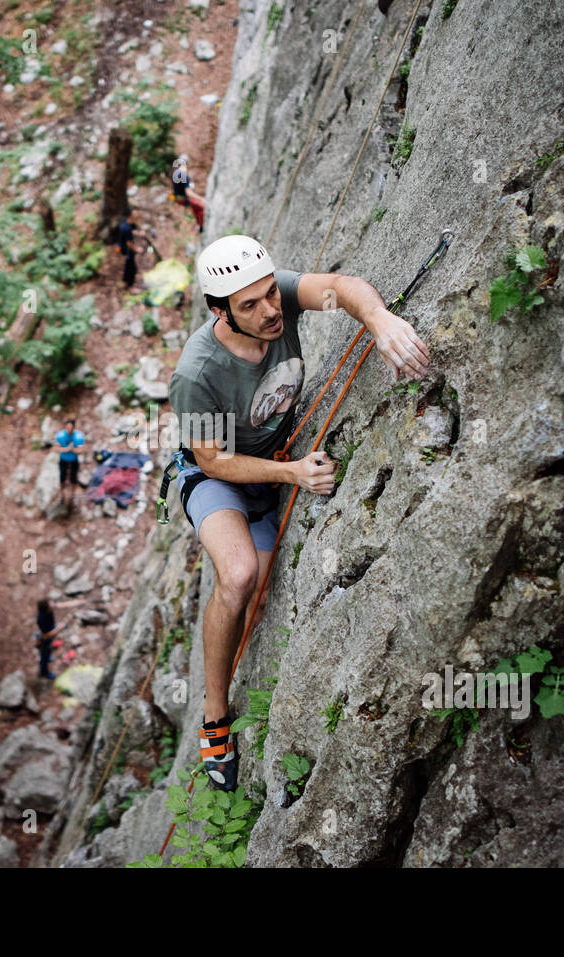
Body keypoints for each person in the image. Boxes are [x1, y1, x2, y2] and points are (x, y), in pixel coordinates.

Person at [167, 234, 431, 790]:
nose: (270, 312)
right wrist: (291, 474)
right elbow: (214, 461)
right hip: (217, 478)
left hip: (264, 467)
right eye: (250, 306)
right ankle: (215, 716)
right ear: (220, 311)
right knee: (237, 576)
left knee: (256, 598)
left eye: (271, 296)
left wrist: (380, 321)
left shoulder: (274, 297)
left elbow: (340, 287)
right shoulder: (197, 374)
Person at [35, 598, 88, 679]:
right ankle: (44, 672)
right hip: (45, 637)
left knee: (48, 650)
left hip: (50, 630)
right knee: (44, 654)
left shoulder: (49, 607)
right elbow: (45, 636)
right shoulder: (42, 620)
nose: (53, 604)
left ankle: (48, 657)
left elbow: (63, 604)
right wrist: (59, 628)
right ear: (47, 609)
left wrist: (79, 602)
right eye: (51, 604)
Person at [55, 418, 86, 505]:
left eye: (70, 428)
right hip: (63, 459)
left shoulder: (79, 436)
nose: (69, 429)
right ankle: (61, 495)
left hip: (73, 460)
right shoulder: (60, 435)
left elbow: (80, 450)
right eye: (67, 427)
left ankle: (73, 496)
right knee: (62, 478)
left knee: (73, 479)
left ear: (73, 428)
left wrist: (72, 449)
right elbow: (56, 448)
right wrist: (66, 449)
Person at [170, 155, 205, 231]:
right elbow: (188, 192)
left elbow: (178, 186)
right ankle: (201, 226)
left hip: (177, 198)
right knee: (202, 207)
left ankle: (199, 225)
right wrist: (201, 198)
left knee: (196, 208)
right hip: (183, 198)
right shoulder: (184, 175)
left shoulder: (175, 172)